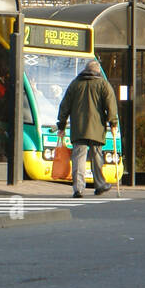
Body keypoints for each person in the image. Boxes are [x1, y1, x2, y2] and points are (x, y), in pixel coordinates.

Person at [56, 58, 118, 198]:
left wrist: (62, 125)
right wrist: (113, 123)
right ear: (97, 70)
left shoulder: (75, 84)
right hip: (97, 128)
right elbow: (111, 105)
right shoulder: (103, 84)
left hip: (79, 128)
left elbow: (64, 105)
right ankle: (100, 184)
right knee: (97, 156)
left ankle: (78, 188)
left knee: (79, 157)